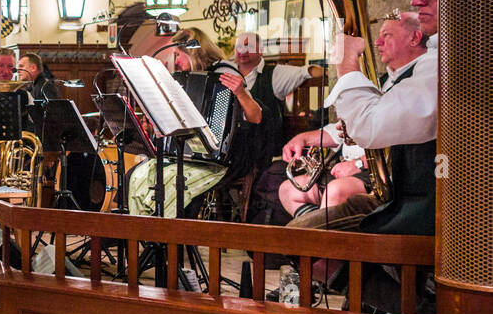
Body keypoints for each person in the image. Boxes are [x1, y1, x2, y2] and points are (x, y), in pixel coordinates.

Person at [279, 16, 426, 218]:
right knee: (288, 190)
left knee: (335, 192)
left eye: (387, 35)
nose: (377, 42)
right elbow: (343, 129)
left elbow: (401, 144)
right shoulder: (383, 81)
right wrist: (303, 138)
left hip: (380, 174)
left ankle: (317, 243)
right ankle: (315, 234)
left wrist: (357, 164)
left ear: (414, 38)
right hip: (349, 168)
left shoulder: (417, 81)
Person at [126, 29, 264, 216]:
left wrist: (240, 92)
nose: (176, 62)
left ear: (192, 52)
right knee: (138, 174)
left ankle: (171, 238)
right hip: (189, 154)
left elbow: (256, 116)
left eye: (178, 55)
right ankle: (145, 232)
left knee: (177, 184)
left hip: (227, 156)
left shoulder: (225, 71)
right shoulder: (186, 77)